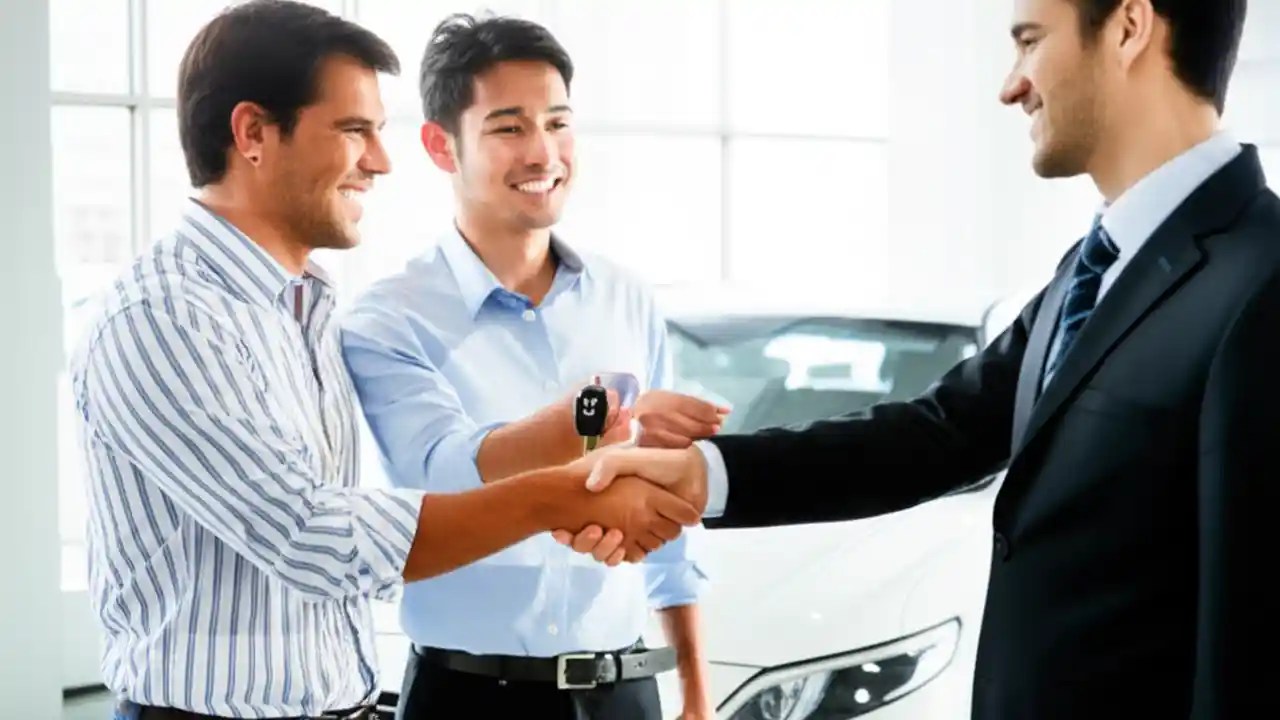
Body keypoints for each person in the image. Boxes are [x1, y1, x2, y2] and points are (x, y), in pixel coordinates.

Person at [569, 0, 1280, 718]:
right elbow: (936, 433)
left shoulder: (1262, 282)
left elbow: (1250, 638)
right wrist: (701, 475)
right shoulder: (1098, 267)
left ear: (1129, 27)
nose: (1012, 85)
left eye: (1030, 42)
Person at [68, 3, 698, 719]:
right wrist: (566, 491)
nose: (380, 159)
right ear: (252, 134)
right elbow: (316, 539)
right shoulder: (167, 317)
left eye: (557, 122)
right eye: (352, 130)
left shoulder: (301, 309)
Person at [338, 14, 726, 720]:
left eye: (558, 123)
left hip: (625, 691)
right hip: (468, 697)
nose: (543, 151)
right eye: (509, 128)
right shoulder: (388, 318)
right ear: (440, 145)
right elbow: (441, 476)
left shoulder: (627, 298)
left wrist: (695, 689)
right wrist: (602, 421)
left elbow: (674, 528)